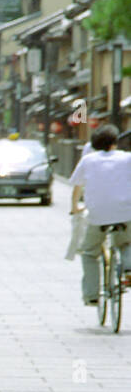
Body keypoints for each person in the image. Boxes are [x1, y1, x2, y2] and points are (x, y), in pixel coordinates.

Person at [69, 124, 131, 307]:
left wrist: (75, 207)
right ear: (115, 142)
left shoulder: (88, 160)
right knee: (127, 241)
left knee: (89, 252)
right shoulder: (127, 158)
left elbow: (77, 187)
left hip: (97, 214)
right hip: (126, 211)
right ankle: (128, 269)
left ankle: (92, 295)